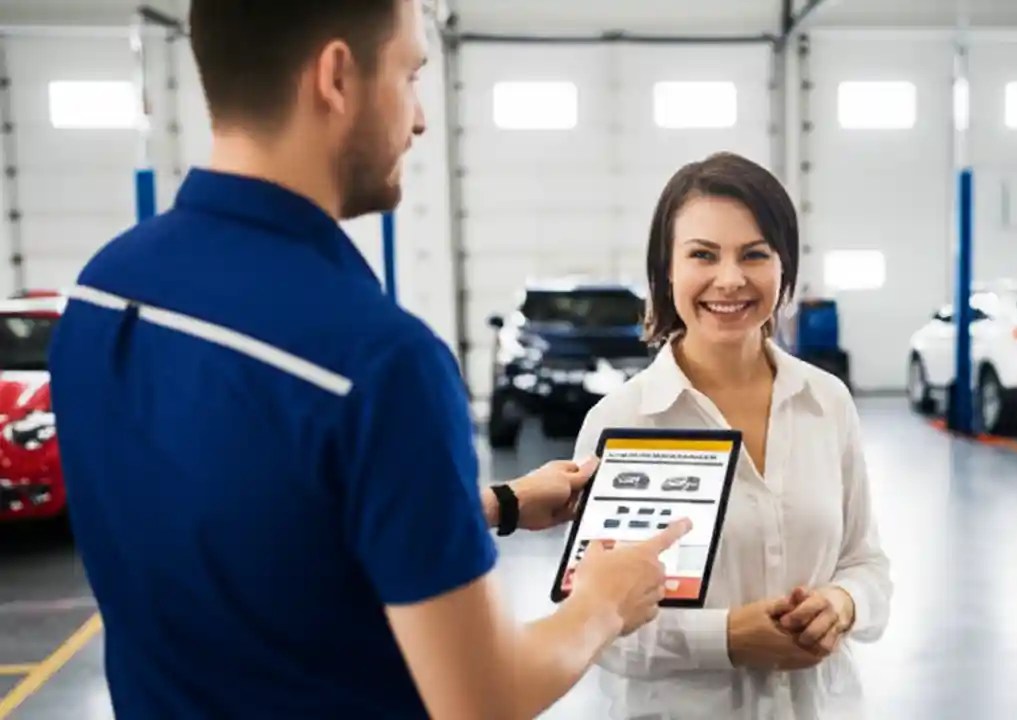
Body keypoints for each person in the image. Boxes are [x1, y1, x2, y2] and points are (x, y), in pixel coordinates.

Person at [47, 1, 689, 718]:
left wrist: (491, 506)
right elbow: (481, 698)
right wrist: (601, 604)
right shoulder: (380, 363)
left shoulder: (103, 289)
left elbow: (257, 521)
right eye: (411, 75)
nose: (419, 120)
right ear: (336, 76)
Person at [573, 152, 893, 719]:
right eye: (702, 255)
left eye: (754, 255)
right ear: (666, 271)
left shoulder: (826, 403)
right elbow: (598, 626)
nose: (730, 279)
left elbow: (865, 563)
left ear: (783, 267)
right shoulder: (625, 421)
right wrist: (728, 636)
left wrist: (841, 604)